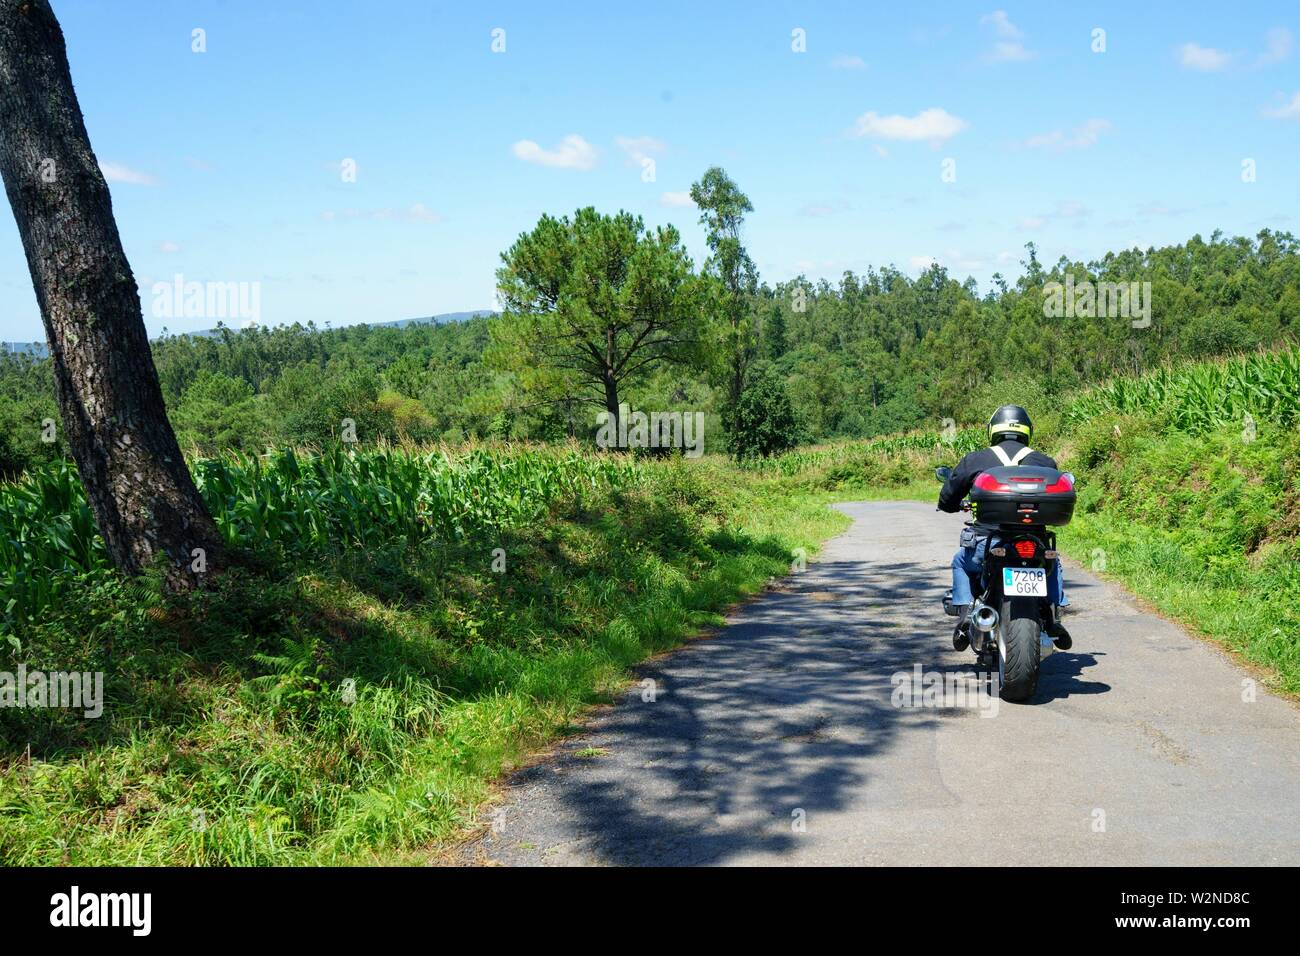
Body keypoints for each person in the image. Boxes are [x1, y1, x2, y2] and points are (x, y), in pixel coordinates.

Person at [937, 404, 1071, 651]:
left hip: (989, 543)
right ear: (1027, 431)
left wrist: (952, 504)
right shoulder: (1044, 462)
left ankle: (966, 613)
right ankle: (1053, 615)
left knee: (961, 562)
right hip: (1035, 544)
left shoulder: (976, 459)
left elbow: (947, 498)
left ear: (993, 431)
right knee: (1053, 562)